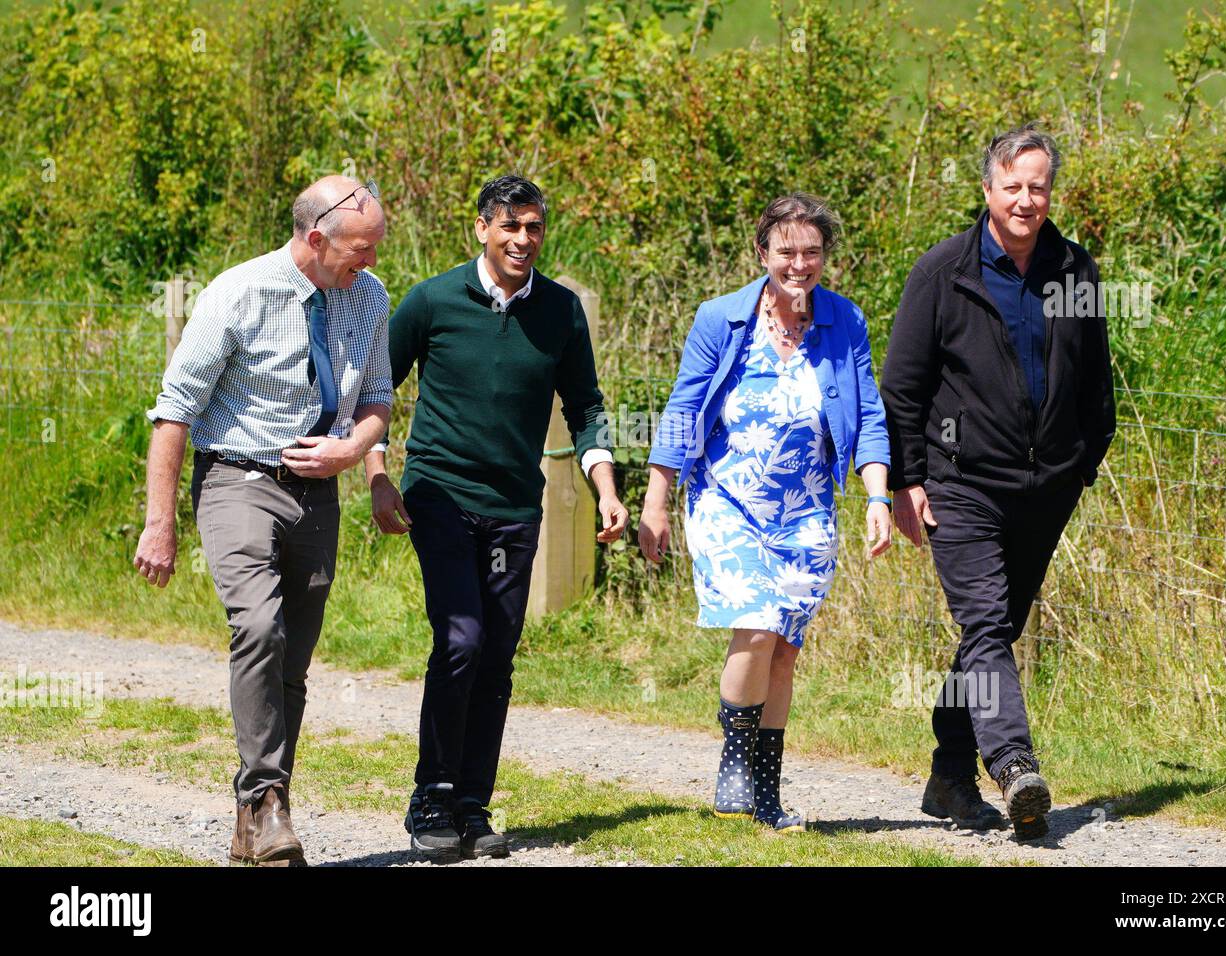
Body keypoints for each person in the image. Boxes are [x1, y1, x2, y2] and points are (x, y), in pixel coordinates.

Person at [368, 174, 628, 862]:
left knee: (496, 657)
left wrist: (605, 487)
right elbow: (371, 396)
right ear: (481, 228)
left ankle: (472, 806)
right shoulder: (432, 301)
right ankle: (431, 795)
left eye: (533, 226)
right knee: (459, 638)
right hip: (440, 494)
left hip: (516, 505)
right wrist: (377, 478)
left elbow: (587, 407)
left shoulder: (562, 313)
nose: (522, 239)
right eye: (509, 226)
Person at [133, 175, 393, 865]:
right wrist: (159, 523)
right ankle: (267, 801)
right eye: (360, 250)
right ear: (316, 238)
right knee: (257, 625)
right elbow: (174, 411)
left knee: (293, 662)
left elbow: (377, 401)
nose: (369, 262)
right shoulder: (236, 294)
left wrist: (354, 448)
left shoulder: (369, 299)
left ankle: (258, 820)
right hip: (237, 480)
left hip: (317, 496)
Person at [881, 125, 1116, 839]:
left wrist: (1084, 463)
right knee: (985, 625)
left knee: (997, 629)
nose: (1025, 199)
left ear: (1051, 193)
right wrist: (905, 481)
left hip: (1047, 486)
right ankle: (1014, 766)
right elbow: (902, 387)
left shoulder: (1074, 271)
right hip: (960, 482)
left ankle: (951, 775)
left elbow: (1095, 380)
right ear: (987, 190)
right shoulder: (944, 272)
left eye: (1037, 187)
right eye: (1012, 185)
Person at [639, 193, 893, 832]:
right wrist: (656, 500)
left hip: (806, 512)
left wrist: (877, 496)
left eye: (811, 252)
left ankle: (766, 794)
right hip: (727, 499)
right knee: (753, 621)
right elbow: (681, 412)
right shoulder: (721, 319)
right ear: (763, 254)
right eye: (787, 251)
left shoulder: (844, 322)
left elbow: (867, 417)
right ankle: (735, 759)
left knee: (783, 649)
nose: (799, 264)